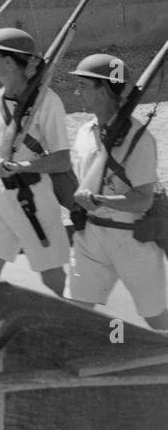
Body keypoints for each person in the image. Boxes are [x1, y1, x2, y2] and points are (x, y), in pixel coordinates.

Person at [68, 53, 167, 330]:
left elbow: (143, 199)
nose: (78, 93)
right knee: (77, 311)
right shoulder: (85, 132)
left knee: (156, 318)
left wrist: (99, 200)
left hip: (131, 240)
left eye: (84, 86)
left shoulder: (140, 139)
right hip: (90, 235)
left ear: (103, 89)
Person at [0, 28, 71, 296]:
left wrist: (23, 167)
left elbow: (62, 160)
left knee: (51, 275)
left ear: (9, 62)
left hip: (33, 197)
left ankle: (75, 327)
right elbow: (1, 147)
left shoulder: (47, 102)